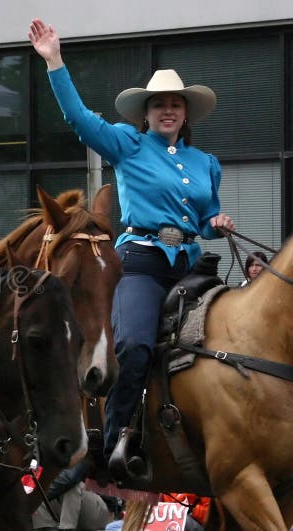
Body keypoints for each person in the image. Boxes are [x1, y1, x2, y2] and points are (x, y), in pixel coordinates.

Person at [28, 19, 235, 464]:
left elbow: (204, 216)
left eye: (176, 105)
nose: (168, 110)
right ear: (145, 113)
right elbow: (80, 120)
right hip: (140, 261)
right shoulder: (128, 145)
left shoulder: (206, 163)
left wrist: (216, 220)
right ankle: (116, 436)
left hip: (192, 263)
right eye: (159, 104)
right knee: (135, 344)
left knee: (234, 336)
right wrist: (54, 62)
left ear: (186, 113)